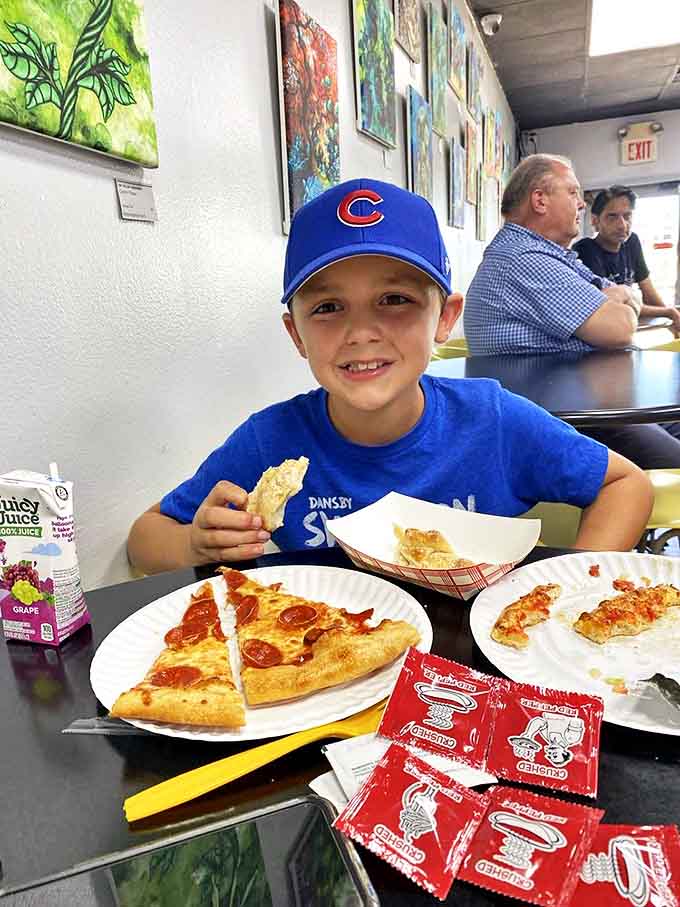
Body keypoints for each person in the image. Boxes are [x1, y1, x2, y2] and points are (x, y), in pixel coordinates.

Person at [127, 178, 652, 575]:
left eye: (395, 300)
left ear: (445, 317)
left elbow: (627, 485)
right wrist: (196, 545)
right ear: (296, 334)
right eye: (329, 307)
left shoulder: (491, 421)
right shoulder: (271, 440)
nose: (362, 332)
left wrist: (573, 585)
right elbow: (145, 536)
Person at [463, 154, 680, 469]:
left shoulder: (551, 256)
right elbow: (619, 328)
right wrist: (620, 297)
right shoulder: (525, 258)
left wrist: (621, 295)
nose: (581, 204)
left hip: (595, 402)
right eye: (573, 192)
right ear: (540, 200)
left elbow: (617, 298)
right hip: (568, 424)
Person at [573, 185, 680, 335]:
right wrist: (668, 312)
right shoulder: (585, 250)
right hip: (604, 335)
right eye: (612, 216)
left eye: (627, 216)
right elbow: (609, 307)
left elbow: (647, 289)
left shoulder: (631, 242)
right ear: (595, 221)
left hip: (628, 327)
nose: (622, 225)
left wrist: (673, 317)